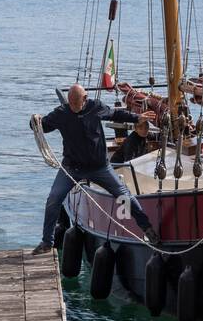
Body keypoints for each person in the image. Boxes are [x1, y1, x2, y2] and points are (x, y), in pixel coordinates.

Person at [31, 83, 159, 254]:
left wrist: (137, 118)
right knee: (53, 199)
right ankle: (47, 242)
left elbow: (116, 114)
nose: (74, 107)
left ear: (84, 99)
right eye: (71, 103)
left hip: (100, 167)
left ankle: (148, 229)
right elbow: (42, 126)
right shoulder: (62, 113)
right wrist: (35, 121)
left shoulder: (95, 107)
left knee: (124, 196)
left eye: (76, 103)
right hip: (72, 167)